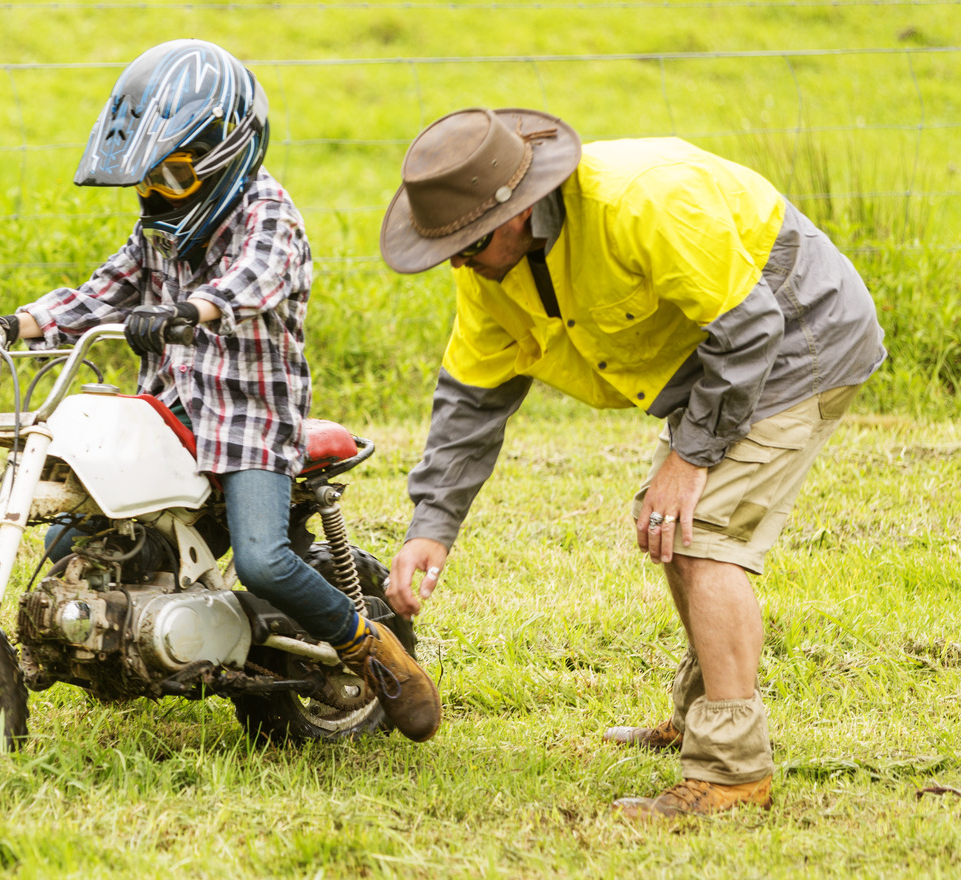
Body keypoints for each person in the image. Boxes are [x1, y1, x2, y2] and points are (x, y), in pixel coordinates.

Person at [378, 107, 884, 815]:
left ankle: (732, 773)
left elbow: (751, 329)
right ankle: (702, 718)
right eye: (447, 248)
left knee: (703, 537)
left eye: (468, 243)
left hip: (801, 336)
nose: (458, 261)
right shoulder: (487, 266)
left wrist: (690, 457)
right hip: (722, 358)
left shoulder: (640, 204)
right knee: (668, 525)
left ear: (517, 211)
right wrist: (432, 526)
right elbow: (473, 399)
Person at [0, 39, 440, 742]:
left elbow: (251, 281)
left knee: (264, 560)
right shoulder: (159, 230)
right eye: (147, 179)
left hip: (250, 425)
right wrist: (12, 324)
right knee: (69, 539)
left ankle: (372, 649)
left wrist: (190, 309)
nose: (155, 193)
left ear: (222, 155)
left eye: (172, 175)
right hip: (170, 420)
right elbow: (101, 292)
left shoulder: (268, 214)